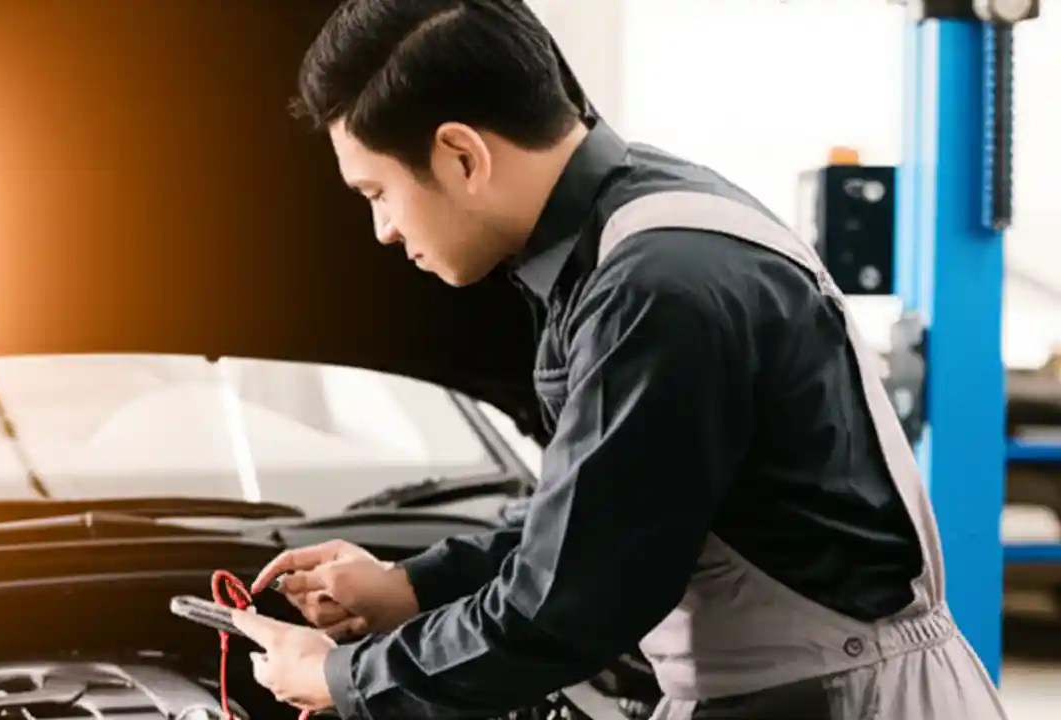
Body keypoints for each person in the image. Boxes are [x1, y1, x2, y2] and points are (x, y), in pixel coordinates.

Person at [229, 1, 1010, 718]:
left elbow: (566, 608)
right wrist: (413, 585)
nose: (383, 232)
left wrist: (342, 677)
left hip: (837, 701)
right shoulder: (640, 220)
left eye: (376, 193)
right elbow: (610, 505)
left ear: (463, 156)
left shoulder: (653, 287)